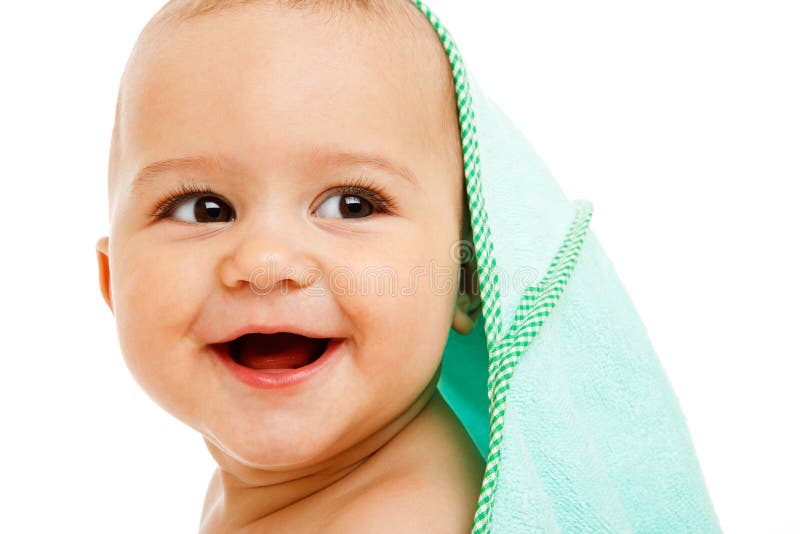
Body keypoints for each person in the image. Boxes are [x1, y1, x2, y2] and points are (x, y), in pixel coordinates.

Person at [95, 0, 485, 531]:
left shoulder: (407, 519)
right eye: (204, 208)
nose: (265, 261)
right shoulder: (277, 493)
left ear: (467, 277)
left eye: (352, 204)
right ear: (113, 279)